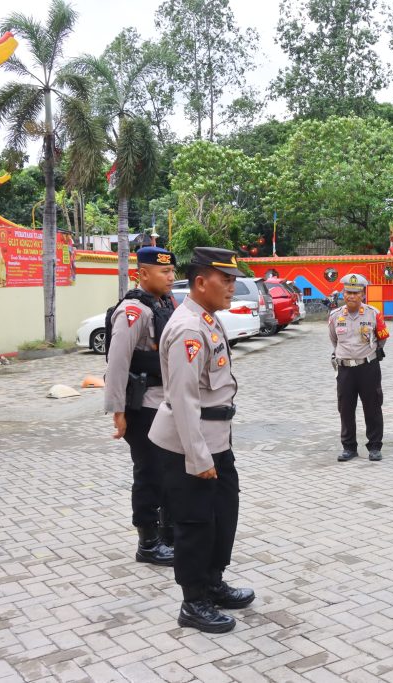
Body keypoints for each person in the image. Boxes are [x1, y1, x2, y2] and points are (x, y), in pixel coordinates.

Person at [148, 247, 253, 634]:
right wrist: (198, 457)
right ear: (200, 282)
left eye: (232, 279)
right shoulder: (188, 329)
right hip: (189, 445)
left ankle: (212, 582)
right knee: (194, 523)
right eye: (225, 280)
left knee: (223, 515)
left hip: (215, 439)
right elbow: (184, 399)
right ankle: (193, 602)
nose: (232, 287)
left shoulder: (207, 319)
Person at [104, 246, 178, 567]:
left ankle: (167, 533)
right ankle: (147, 542)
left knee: (168, 472)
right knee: (149, 472)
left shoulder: (164, 304)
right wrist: (118, 412)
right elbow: (117, 363)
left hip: (166, 404)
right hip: (143, 406)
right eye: (165, 272)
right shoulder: (133, 311)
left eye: (173, 271)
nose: (171, 277)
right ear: (143, 273)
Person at [329, 273, 390, 462]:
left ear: (363, 294)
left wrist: (369, 354)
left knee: (372, 407)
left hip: (368, 367)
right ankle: (349, 447)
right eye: (348, 292)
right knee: (345, 408)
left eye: (356, 293)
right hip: (345, 369)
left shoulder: (373, 313)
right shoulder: (335, 316)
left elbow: (382, 337)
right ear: (343, 294)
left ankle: (374, 447)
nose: (352, 296)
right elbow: (334, 339)